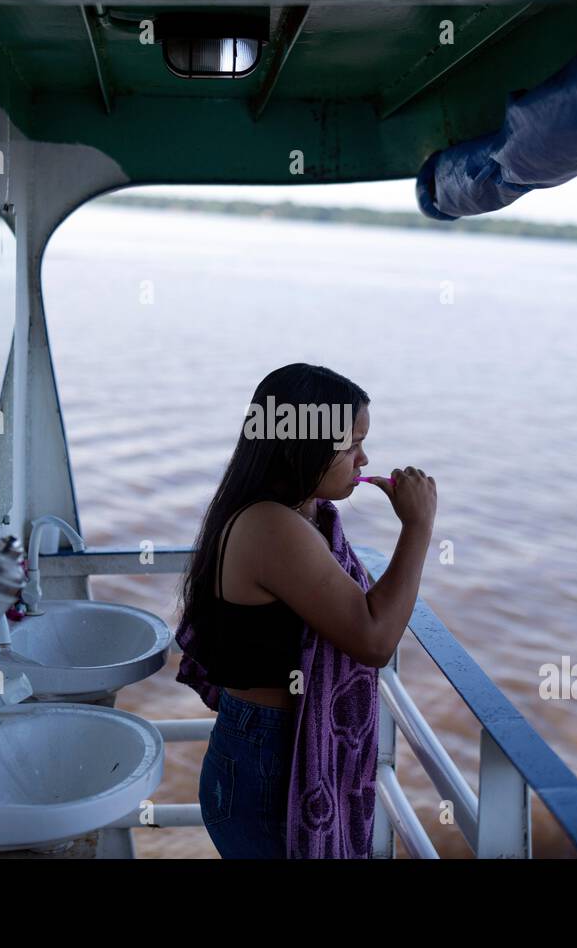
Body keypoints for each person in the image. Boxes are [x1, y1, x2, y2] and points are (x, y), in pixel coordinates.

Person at [176, 362, 436, 858]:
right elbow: (374, 639)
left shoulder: (293, 514)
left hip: (265, 747)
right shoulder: (272, 527)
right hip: (269, 761)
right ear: (304, 443)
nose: (364, 457)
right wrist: (418, 527)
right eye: (351, 443)